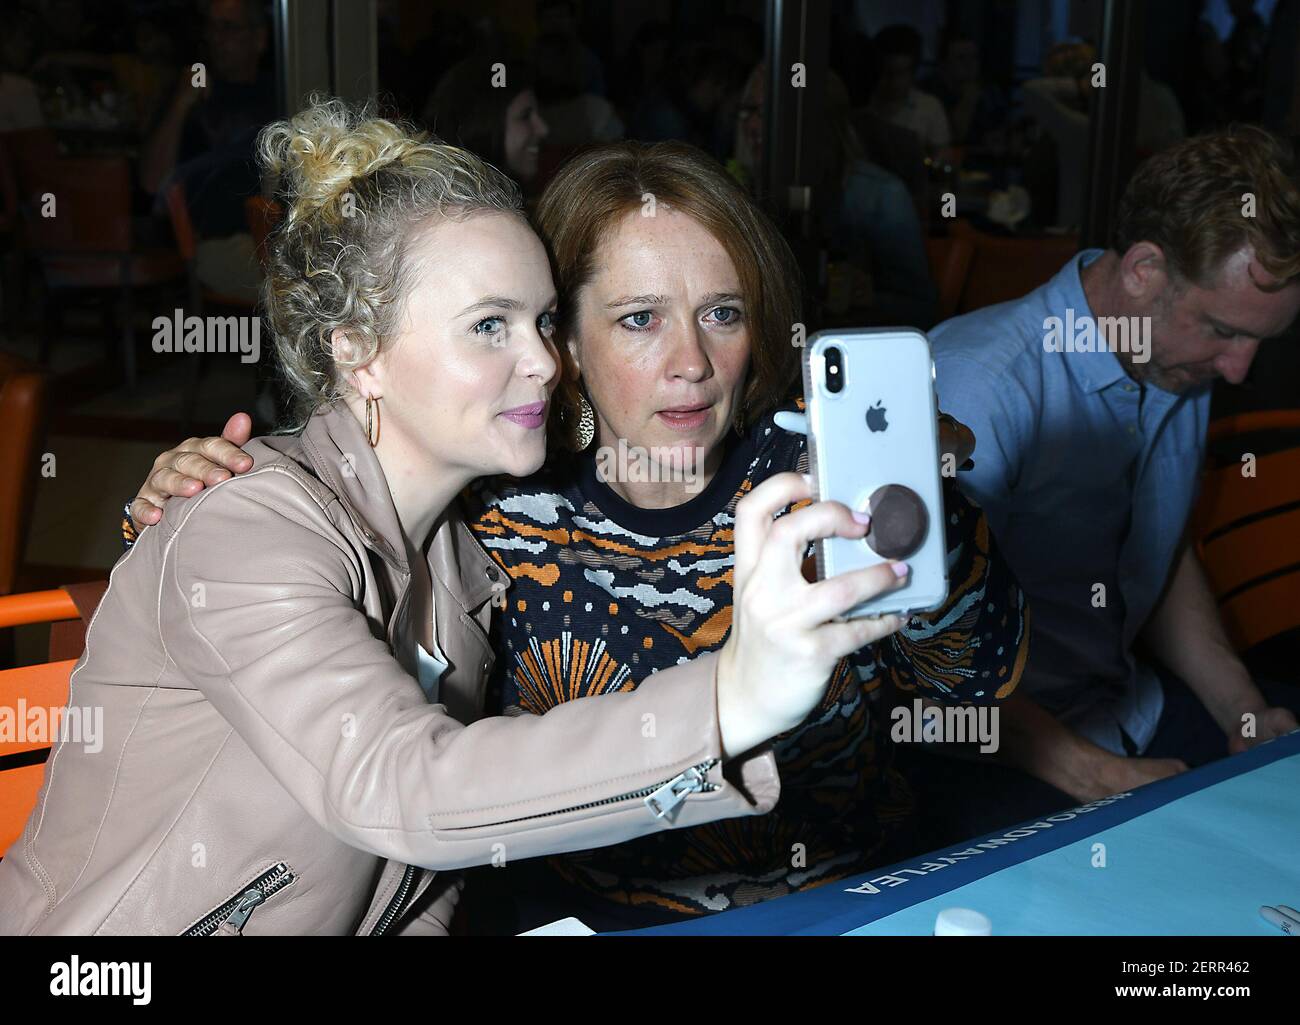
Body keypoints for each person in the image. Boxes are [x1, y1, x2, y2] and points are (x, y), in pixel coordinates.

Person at [0, 100, 897, 936]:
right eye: (488, 326)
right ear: (358, 353)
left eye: (543, 321)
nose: (545, 362)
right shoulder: (243, 526)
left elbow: (428, 875)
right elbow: (404, 786)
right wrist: (733, 697)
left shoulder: (469, 562)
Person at [903, 125, 1300, 848]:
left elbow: (1160, 552)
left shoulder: (1178, 356)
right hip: (976, 748)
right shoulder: (980, 386)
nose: (1239, 369)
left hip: (1124, 705)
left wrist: (1242, 707)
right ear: (1145, 269)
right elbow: (918, 647)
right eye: (1223, 330)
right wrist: (1094, 776)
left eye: (1256, 342)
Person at [139, 0, 276, 304]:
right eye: (211, 28)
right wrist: (180, 104)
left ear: (259, 38)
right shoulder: (194, 97)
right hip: (219, 243)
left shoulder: (281, 92)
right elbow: (151, 182)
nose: (216, 38)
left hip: (278, 236)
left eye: (228, 28)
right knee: (300, 291)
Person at [868, 24, 950, 156]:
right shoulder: (865, 104)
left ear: (914, 71)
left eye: (900, 73)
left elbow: (941, 159)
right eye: (887, 72)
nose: (893, 82)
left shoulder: (930, 108)